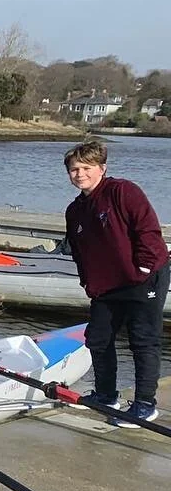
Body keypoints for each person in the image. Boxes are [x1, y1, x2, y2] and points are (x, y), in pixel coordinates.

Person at [63, 138, 168, 423]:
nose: (80, 174)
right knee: (98, 338)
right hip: (106, 285)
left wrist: (143, 269)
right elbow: (79, 251)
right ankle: (106, 395)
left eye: (86, 168)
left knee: (143, 340)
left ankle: (145, 404)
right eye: (74, 169)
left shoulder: (123, 191)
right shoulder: (75, 210)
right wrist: (87, 281)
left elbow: (148, 231)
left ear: (102, 168)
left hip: (144, 277)